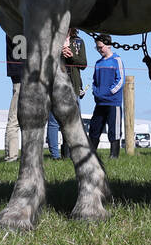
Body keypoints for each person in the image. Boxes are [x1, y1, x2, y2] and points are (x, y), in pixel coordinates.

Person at [52, 28, 87, 160]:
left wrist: (71, 56)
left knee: (73, 120)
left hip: (74, 86)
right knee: (54, 122)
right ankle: (56, 155)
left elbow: (83, 64)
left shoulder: (78, 42)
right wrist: (60, 53)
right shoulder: (53, 41)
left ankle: (71, 153)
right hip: (56, 85)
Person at [88, 34, 125, 158]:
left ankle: (114, 156)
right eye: (97, 48)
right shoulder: (98, 63)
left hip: (113, 103)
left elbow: (120, 80)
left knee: (114, 131)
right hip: (99, 103)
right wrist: (95, 92)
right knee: (94, 129)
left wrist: (109, 92)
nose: (99, 50)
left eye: (100, 47)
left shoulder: (117, 60)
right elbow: (94, 81)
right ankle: (91, 155)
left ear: (108, 45)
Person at [4, 33, 23, 162]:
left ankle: (12, 155)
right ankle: (12, 155)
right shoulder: (18, 31)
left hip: (19, 76)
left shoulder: (11, 27)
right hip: (24, 77)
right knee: (15, 119)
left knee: (15, 119)